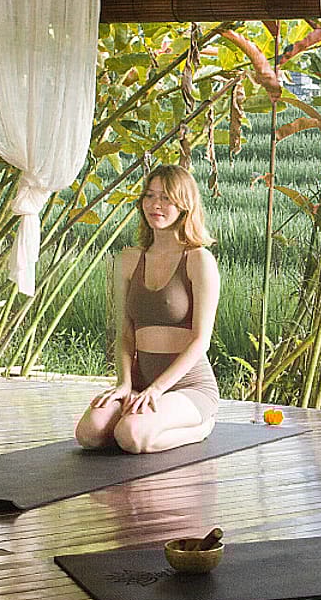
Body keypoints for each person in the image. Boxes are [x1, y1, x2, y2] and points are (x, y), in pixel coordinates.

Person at [75, 164, 221, 454]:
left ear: (184, 205)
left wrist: (157, 389)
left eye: (166, 198)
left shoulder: (199, 260)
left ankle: (201, 428)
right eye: (150, 196)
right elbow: (125, 333)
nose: (156, 204)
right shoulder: (128, 260)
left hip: (188, 386)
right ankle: (144, 414)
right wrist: (124, 384)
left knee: (130, 435)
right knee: (89, 433)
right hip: (141, 382)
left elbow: (200, 341)